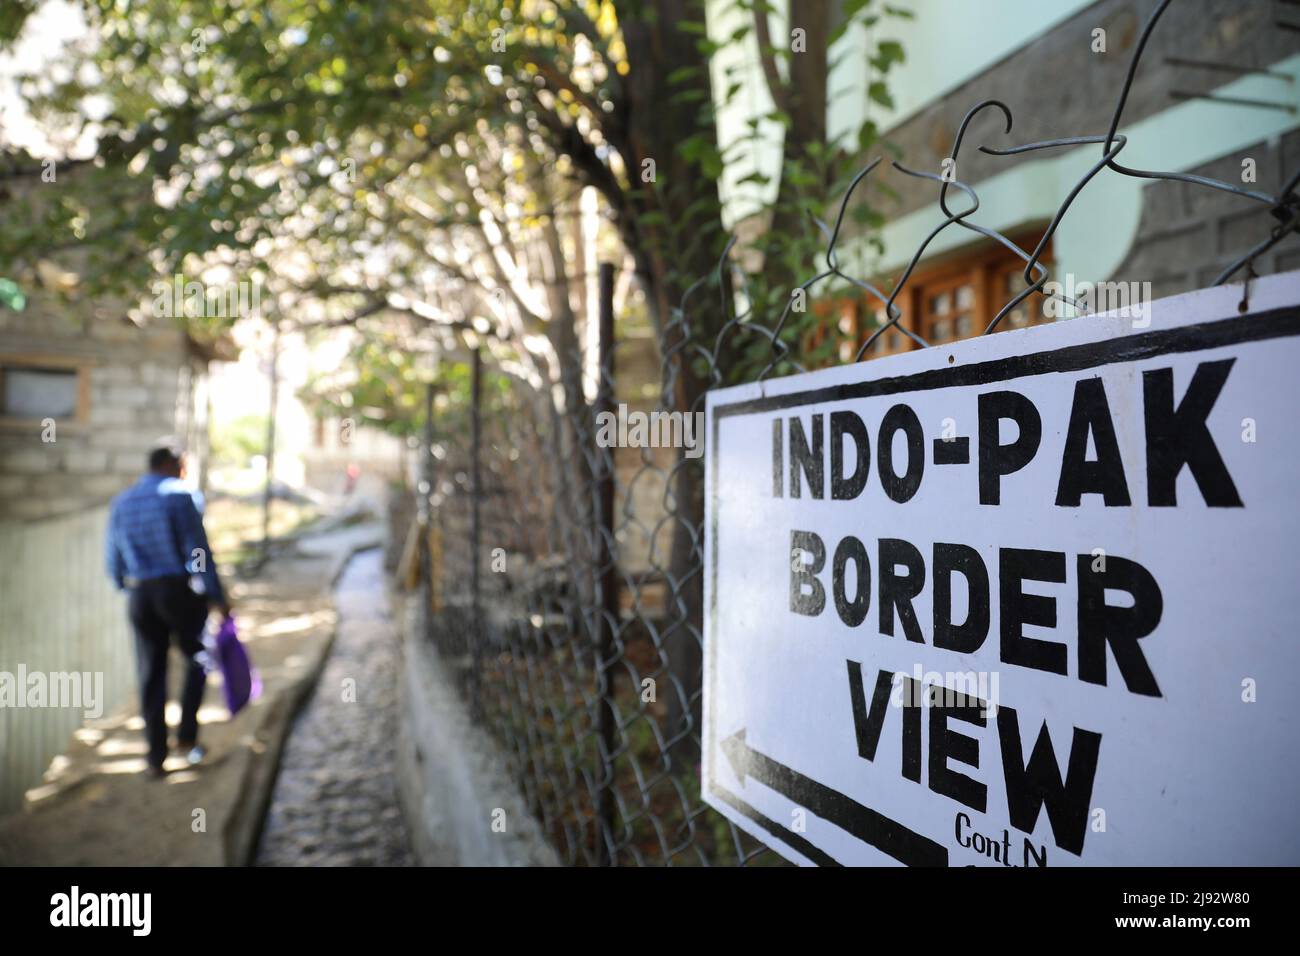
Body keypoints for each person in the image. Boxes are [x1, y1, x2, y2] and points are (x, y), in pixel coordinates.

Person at [105, 441, 231, 777]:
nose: (185, 471)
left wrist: (125, 584)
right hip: (178, 592)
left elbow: (113, 557)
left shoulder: (123, 501)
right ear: (174, 464)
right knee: (198, 660)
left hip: (140, 596)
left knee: (151, 674)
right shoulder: (180, 494)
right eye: (184, 465)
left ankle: (154, 759)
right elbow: (198, 551)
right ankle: (187, 741)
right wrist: (217, 594)